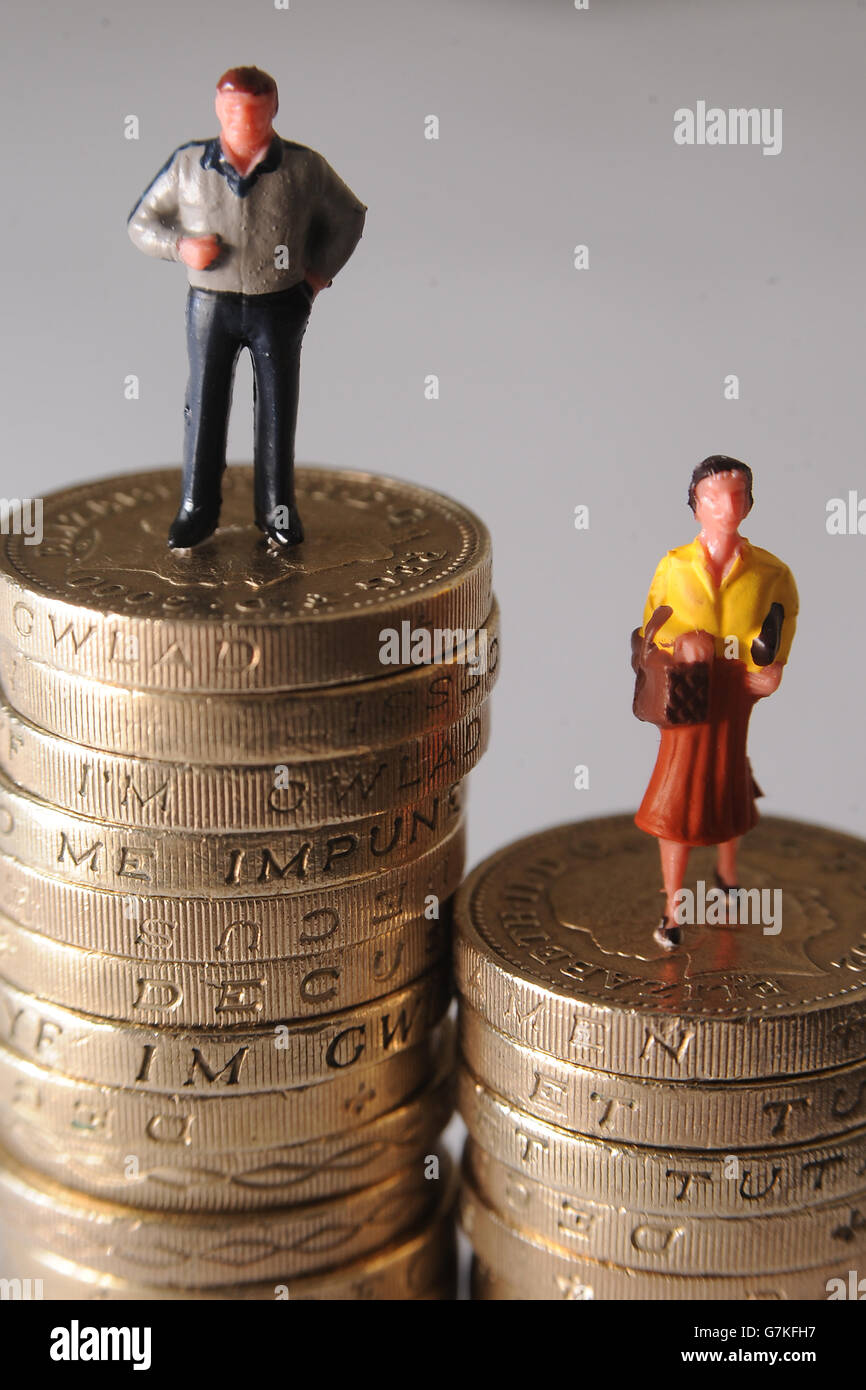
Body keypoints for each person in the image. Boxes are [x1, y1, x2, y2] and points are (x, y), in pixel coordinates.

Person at [128, 66, 366, 549]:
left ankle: (277, 511)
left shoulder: (303, 167)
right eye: (235, 112)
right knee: (205, 405)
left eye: (255, 114)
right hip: (210, 306)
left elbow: (349, 215)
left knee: (277, 409)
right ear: (219, 108)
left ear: (273, 110)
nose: (245, 123)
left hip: (278, 304)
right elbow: (141, 224)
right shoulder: (189, 165)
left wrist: (317, 275)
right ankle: (197, 508)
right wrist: (181, 247)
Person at [633, 456, 798, 949]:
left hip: (735, 693)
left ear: (749, 502)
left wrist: (772, 668)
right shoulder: (674, 564)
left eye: (735, 495)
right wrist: (679, 644)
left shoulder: (771, 571)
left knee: (728, 780)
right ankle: (673, 909)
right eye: (712, 497)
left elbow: (782, 620)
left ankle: (728, 880)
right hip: (688, 693)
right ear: (695, 505)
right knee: (675, 795)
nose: (725, 506)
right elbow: (650, 630)